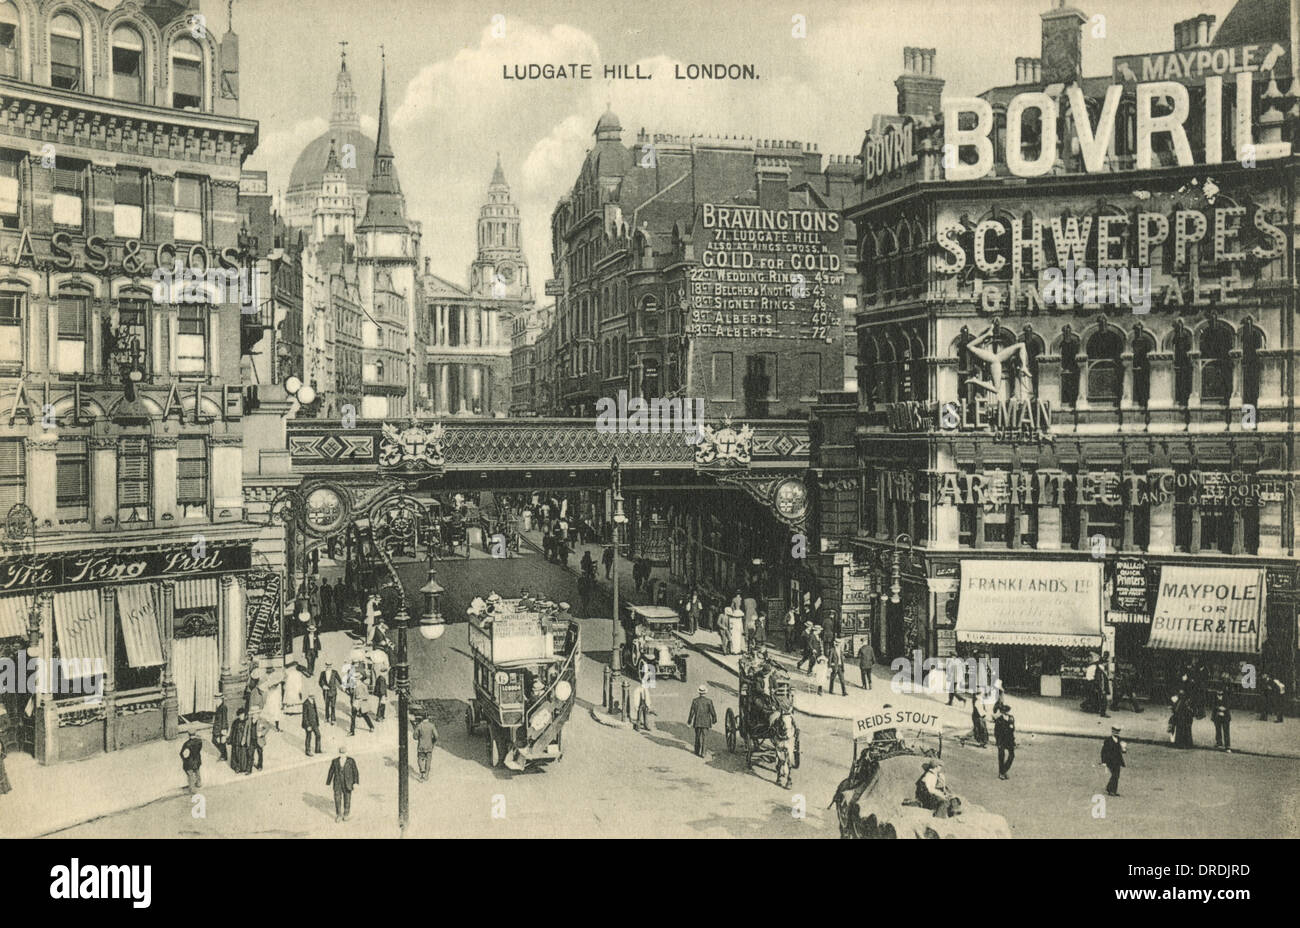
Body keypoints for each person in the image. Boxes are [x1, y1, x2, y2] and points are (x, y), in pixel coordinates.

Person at [326, 746, 360, 823]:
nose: (343, 754)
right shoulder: (335, 761)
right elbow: (331, 771)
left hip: (347, 783)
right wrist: (328, 782)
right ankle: (339, 815)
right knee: (337, 799)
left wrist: (355, 783)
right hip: (337, 783)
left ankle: (346, 814)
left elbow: (355, 772)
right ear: (339, 753)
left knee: (347, 798)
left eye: (344, 753)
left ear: (346, 753)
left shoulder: (351, 761)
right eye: (341, 753)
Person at [687, 684, 716, 758]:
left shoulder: (695, 701)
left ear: (699, 693)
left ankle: (697, 751)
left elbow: (692, 712)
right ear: (705, 693)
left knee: (697, 737)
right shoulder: (709, 701)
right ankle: (703, 753)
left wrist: (689, 721)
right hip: (706, 722)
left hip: (697, 721)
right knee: (704, 737)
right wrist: (714, 719)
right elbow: (712, 711)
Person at [1101, 726, 1127, 796]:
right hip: (1110, 760)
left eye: (1118, 732)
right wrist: (1103, 761)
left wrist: (1124, 749)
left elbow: (1122, 750)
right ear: (1112, 732)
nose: (1116, 733)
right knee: (1115, 775)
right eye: (1115, 731)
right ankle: (1111, 790)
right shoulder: (1107, 740)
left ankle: (1111, 789)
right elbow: (1103, 751)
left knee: (1116, 775)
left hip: (1118, 760)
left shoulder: (1120, 739)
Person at [413, 714, 438, 782]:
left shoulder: (419, 726)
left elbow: (414, 737)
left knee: (420, 759)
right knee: (428, 760)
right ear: (427, 718)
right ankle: (426, 775)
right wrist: (433, 741)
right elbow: (436, 736)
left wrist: (419, 737)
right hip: (429, 746)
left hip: (421, 746)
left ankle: (422, 771)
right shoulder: (431, 725)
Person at [994, 704, 1016, 780]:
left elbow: (1013, 729)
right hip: (1001, 740)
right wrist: (998, 742)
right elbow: (996, 732)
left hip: (1009, 740)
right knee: (1001, 756)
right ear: (1002, 712)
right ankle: (1001, 773)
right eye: (1006, 711)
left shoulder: (1011, 718)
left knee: (1012, 755)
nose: (1008, 712)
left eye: (1008, 711)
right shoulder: (999, 720)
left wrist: (1013, 740)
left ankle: (1004, 771)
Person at [229, 707, 251, 774]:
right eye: (240, 715)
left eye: (243, 715)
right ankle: (236, 767)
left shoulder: (246, 722)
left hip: (243, 741)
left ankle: (243, 768)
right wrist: (230, 739)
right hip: (236, 741)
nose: (241, 716)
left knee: (243, 755)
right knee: (235, 754)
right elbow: (232, 731)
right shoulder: (235, 722)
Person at [1211, 687, 1232, 752]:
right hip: (1217, 716)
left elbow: (1228, 705)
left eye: (1220, 692)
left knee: (1226, 731)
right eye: (1218, 692)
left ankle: (1227, 746)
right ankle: (1219, 742)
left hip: (1225, 716)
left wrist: (1224, 709)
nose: (1219, 693)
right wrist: (1218, 708)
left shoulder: (1226, 697)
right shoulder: (1215, 697)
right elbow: (1213, 706)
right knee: (1218, 729)